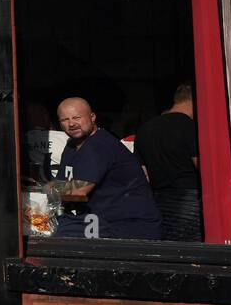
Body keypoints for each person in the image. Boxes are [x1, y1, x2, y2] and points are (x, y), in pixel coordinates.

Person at [48, 97, 162, 240]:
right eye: (65, 120)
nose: (71, 124)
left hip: (128, 226)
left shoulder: (99, 145)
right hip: (99, 221)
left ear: (93, 117)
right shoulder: (72, 145)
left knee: (61, 238)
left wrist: (46, 190)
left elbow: (77, 191)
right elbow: (62, 183)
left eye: (77, 117)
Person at [135, 83, 202, 241]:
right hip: (190, 198)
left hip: (159, 199)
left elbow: (143, 174)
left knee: (170, 248)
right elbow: (202, 167)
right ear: (195, 100)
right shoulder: (190, 127)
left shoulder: (144, 129)